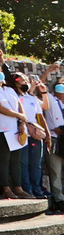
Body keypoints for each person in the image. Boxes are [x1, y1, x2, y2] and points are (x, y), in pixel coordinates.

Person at [0, 65, 30, 198]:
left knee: (16, 159)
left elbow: (20, 106)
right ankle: (5, 187)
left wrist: (22, 122)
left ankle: (18, 187)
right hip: (0, 128)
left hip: (15, 128)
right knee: (4, 158)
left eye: (0, 71)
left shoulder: (9, 90)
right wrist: (19, 116)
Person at [13, 73, 49, 198]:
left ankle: (37, 189)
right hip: (21, 134)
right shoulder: (13, 96)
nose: (26, 83)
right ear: (16, 82)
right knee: (23, 162)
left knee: (36, 163)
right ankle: (27, 189)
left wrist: (47, 133)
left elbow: (40, 116)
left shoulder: (32, 98)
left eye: (27, 81)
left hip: (35, 134)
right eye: (23, 81)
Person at [43, 82, 64, 213]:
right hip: (55, 138)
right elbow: (42, 85)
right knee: (56, 171)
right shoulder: (51, 100)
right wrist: (48, 71)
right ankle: (59, 199)